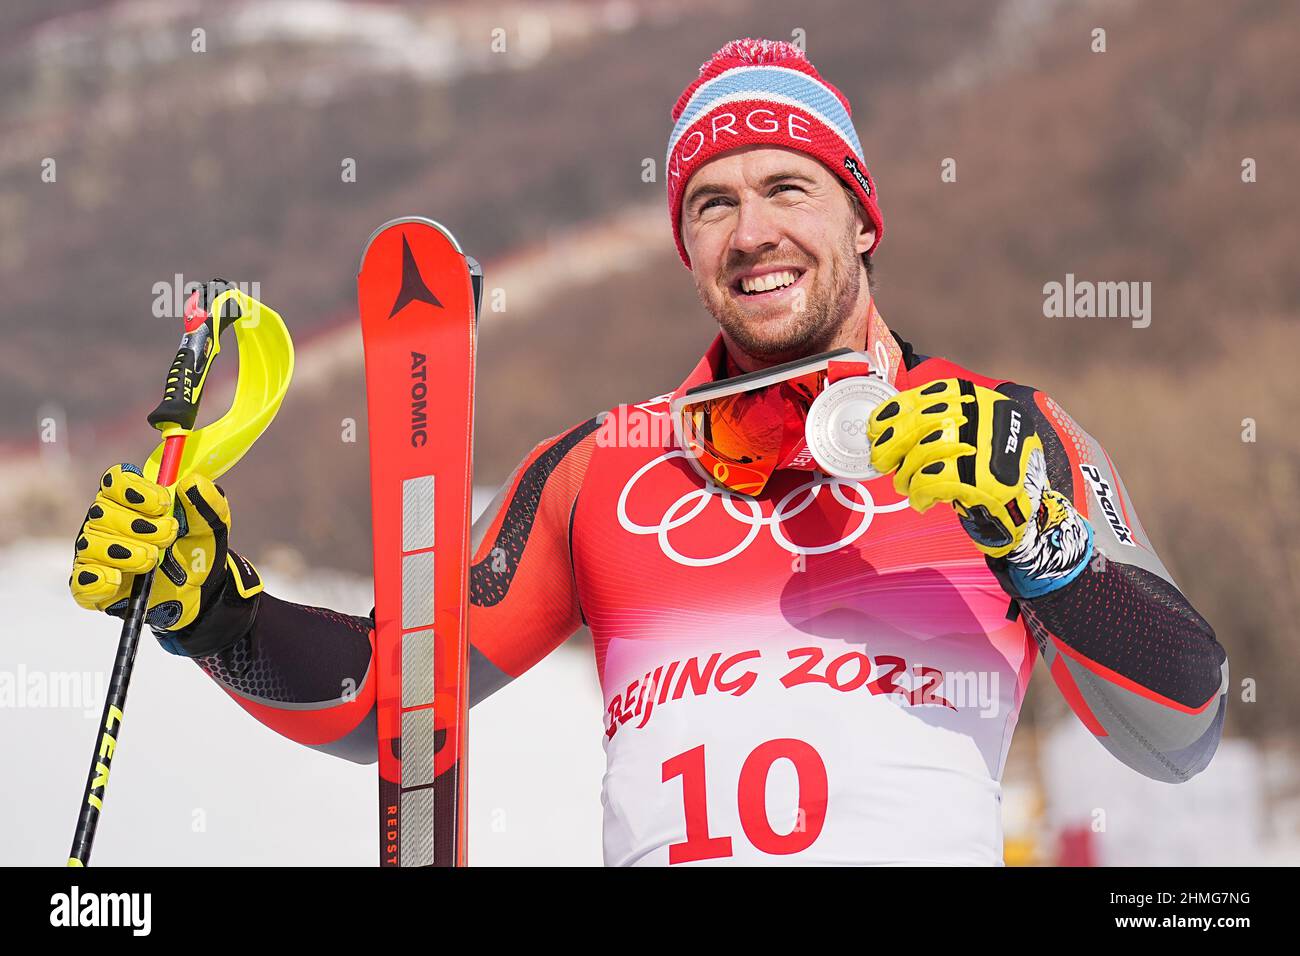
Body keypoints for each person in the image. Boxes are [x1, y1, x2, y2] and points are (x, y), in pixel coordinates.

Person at [69, 38, 1227, 866]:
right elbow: (398, 703)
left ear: (863, 216)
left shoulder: (1008, 432)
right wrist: (216, 617)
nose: (752, 229)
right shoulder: (601, 470)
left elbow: (1183, 726)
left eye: (788, 186)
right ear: (684, 244)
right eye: (710, 203)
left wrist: (1046, 546)